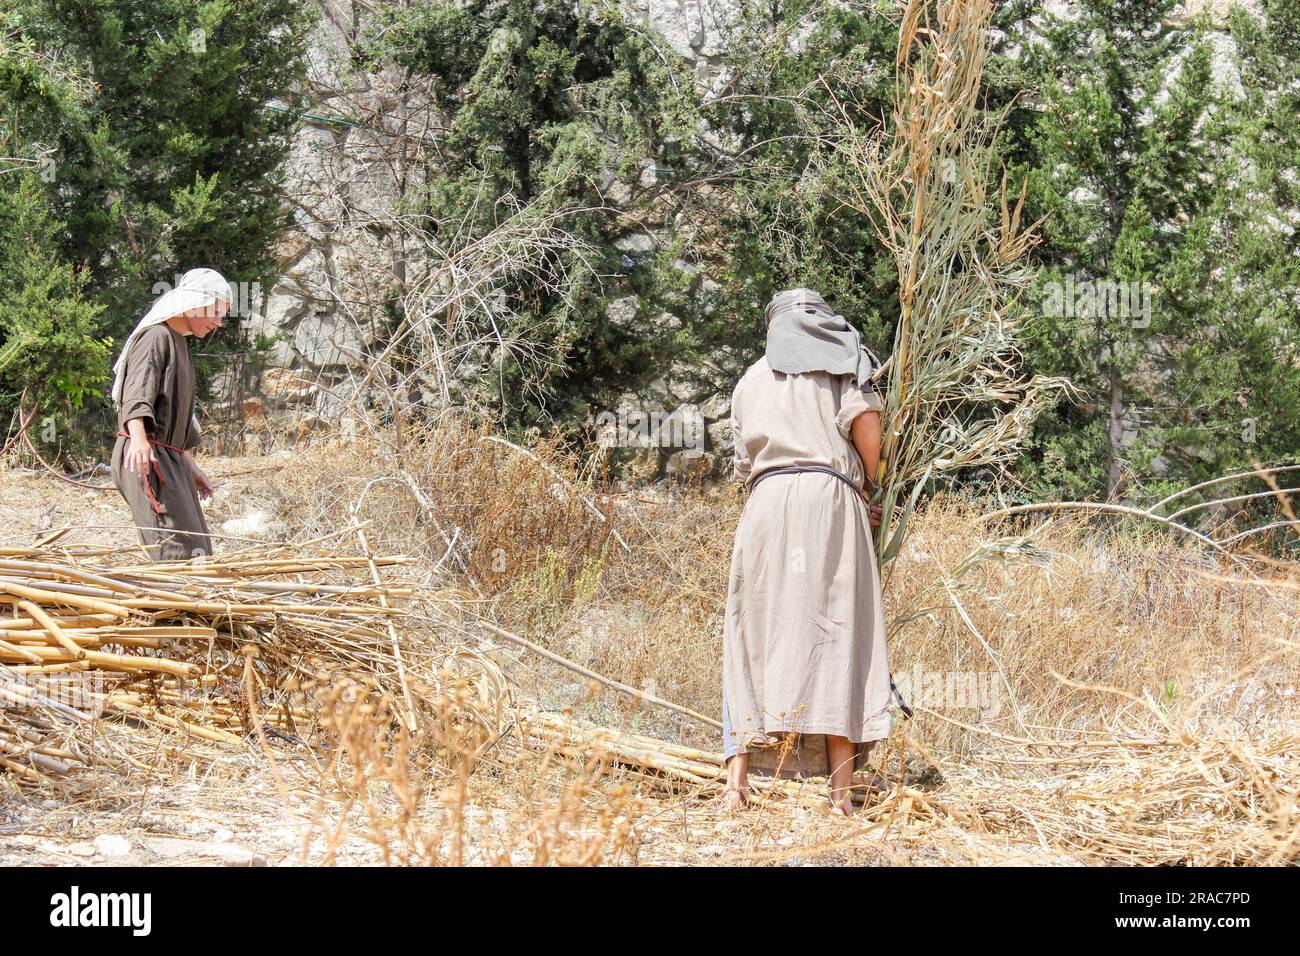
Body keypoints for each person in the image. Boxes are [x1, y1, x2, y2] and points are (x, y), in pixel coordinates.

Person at [722, 287, 892, 816]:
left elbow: (742, 465)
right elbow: (866, 425)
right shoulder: (845, 360)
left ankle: (736, 786)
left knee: (751, 633)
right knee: (838, 628)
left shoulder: (750, 379)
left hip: (766, 505)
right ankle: (840, 796)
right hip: (830, 499)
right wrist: (872, 479)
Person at [110, 268, 231, 561]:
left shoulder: (180, 343)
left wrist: (190, 467)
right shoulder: (156, 336)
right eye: (215, 313)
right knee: (172, 552)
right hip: (147, 455)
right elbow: (136, 394)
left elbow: (176, 419)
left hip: (169, 457)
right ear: (195, 303)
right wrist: (139, 441)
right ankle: (167, 607)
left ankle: (192, 606)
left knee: (196, 547)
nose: (217, 323)